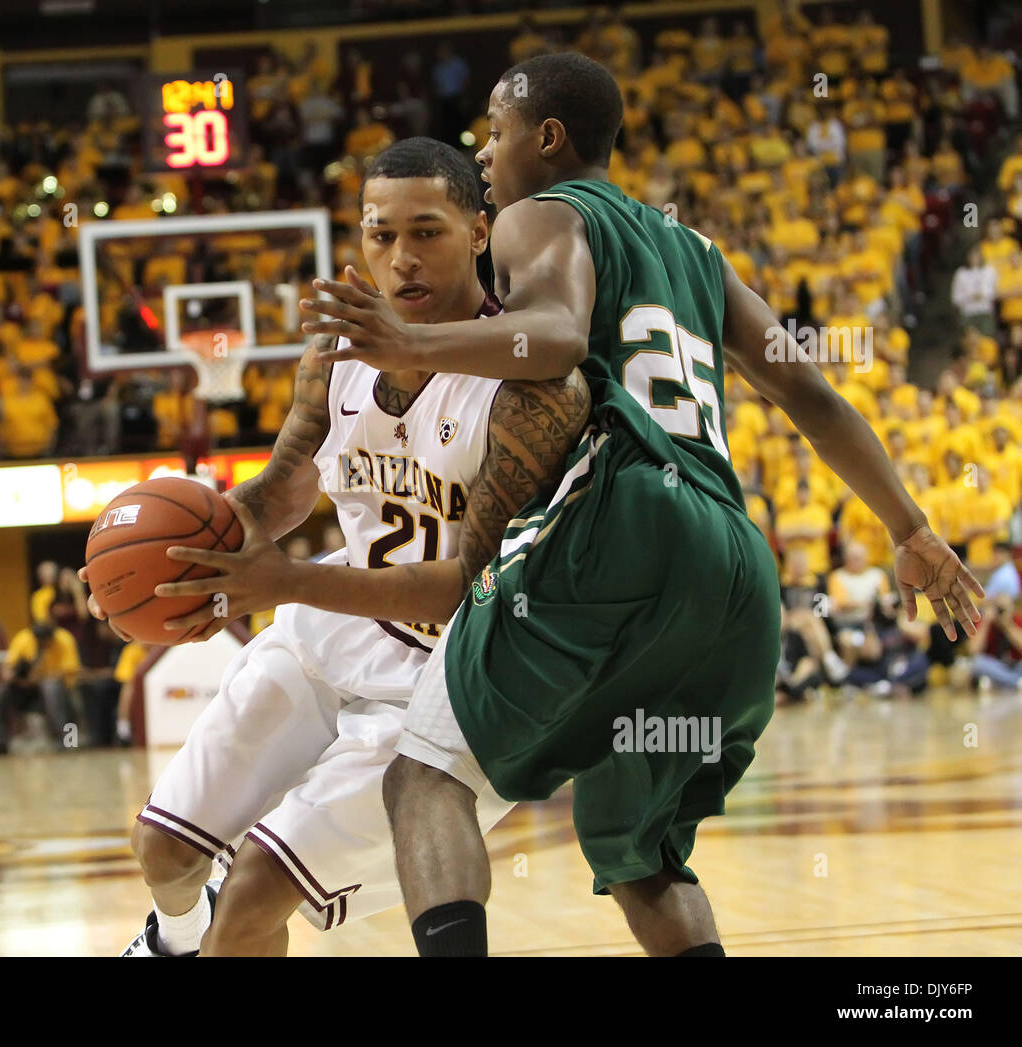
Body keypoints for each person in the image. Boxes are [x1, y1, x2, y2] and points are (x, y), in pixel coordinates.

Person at [303, 54, 983, 957]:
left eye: (496, 136)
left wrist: (410, 336)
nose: (489, 158)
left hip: (619, 517)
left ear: (546, 138)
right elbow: (814, 397)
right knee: (639, 856)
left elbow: (554, 338)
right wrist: (911, 526)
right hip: (735, 564)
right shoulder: (696, 252)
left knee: (424, 781)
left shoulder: (536, 214)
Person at [84, 138, 589, 956]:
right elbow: (283, 489)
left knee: (252, 891)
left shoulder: (528, 386)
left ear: (480, 230)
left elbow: (465, 586)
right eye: (380, 235)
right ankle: (170, 942)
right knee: (165, 850)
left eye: (427, 231)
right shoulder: (335, 351)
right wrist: (171, 562)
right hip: (335, 632)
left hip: (451, 681)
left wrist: (279, 581)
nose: (402, 258)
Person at [0, 614, 80, 755]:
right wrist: (10, 676)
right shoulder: (23, 638)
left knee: (50, 687)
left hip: (60, 690)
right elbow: (7, 665)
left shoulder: (64, 639)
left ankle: (67, 742)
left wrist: (39, 677)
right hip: (26, 689)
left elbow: (71, 671)